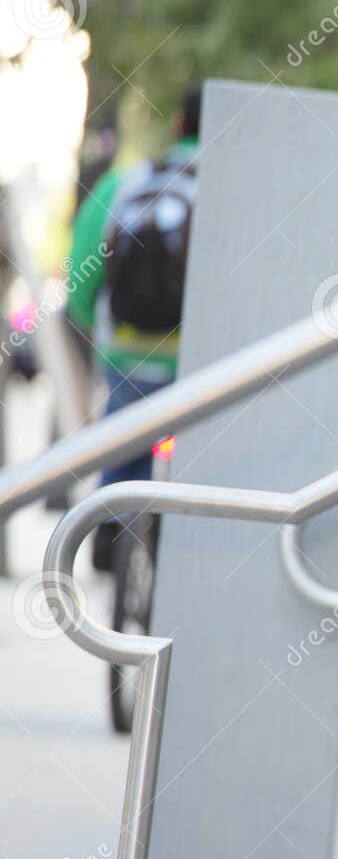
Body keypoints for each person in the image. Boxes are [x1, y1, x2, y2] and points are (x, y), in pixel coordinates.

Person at [65, 86, 198, 568]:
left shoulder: (128, 181)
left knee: (124, 444)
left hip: (127, 352)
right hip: (199, 362)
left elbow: (81, 269)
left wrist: (94, 329)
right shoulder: (239, 188)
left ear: (179, 125)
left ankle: (104, 533)